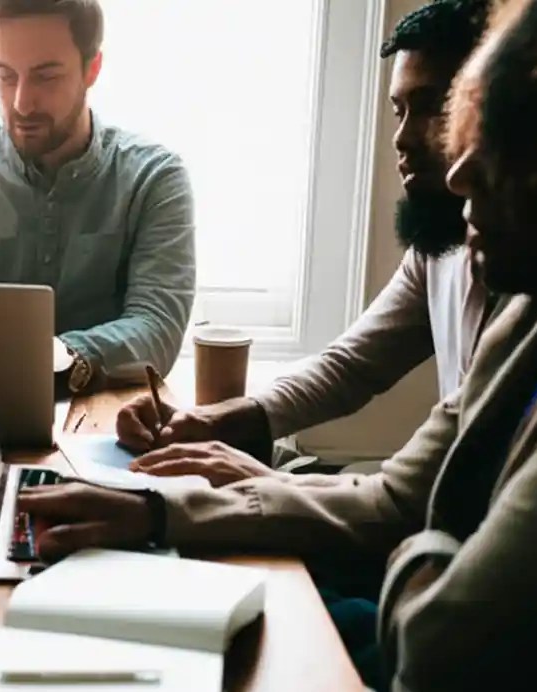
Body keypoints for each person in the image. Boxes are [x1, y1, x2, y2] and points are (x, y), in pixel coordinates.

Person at [22, 0, 537, 692]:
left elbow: (439, 646)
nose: (456, 170)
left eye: (504, 134)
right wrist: (154, 510)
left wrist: (419, 547)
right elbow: (389, 473)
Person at [115, 0, 494, 478]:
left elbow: (422, 493)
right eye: (399, 110)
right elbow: (349, 367)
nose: (401, 138)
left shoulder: (529, 269)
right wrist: (218, 419)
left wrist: (262, 483)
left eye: (431, 110)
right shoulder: (434, 250)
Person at [0, 0, 195, 395]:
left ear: (91, 69)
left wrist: (57, 358)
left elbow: (156, 329)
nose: (21, 104)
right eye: (6, 76)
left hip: (109, 427)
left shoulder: (154, 178)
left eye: (46, 77)